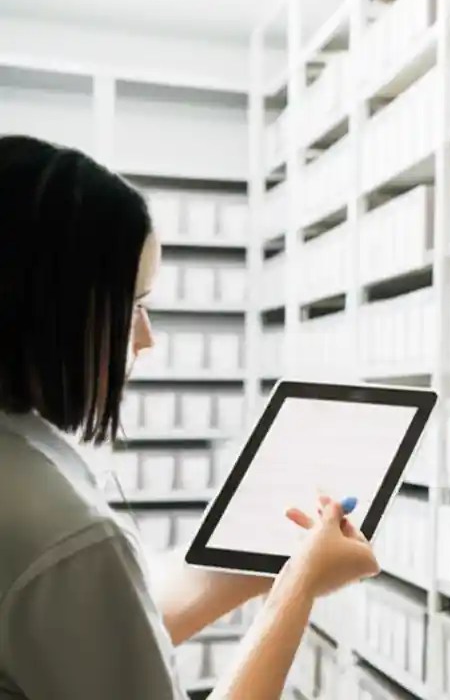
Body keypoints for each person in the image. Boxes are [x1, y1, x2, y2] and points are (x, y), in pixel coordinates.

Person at [0, 135, 380, 698]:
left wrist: (261, 557)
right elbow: (79, 592)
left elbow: (90, 641)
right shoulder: (62, 530)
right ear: (51, 306)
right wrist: (297, 590)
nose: (146, 338)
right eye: (133, 306)